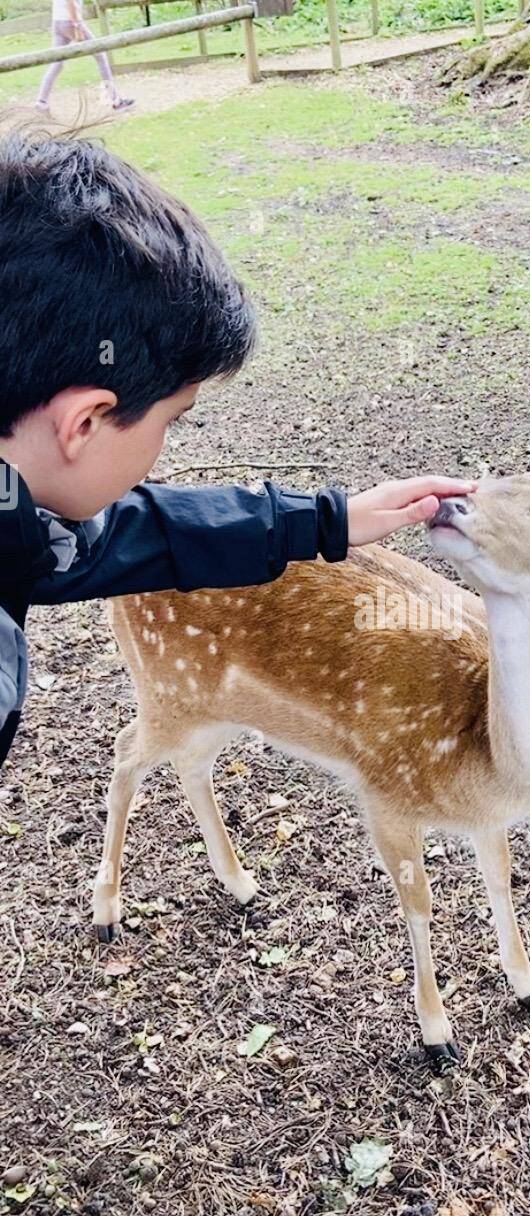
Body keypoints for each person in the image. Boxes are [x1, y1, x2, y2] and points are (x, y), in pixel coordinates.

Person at [0, 131, 474, 769]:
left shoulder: (19, 514)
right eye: (173, 420)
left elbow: (124, 533)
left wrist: (329, 521)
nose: (163, 451)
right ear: (84, 422)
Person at [35, 0, 134, 114]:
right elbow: (70, 2)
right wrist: (77, 25)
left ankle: (41, 102)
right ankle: (115, 100)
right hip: (70, 22)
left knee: (57, 64)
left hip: (57, 22)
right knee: (100, 56)